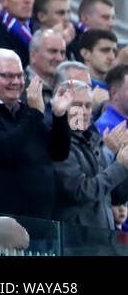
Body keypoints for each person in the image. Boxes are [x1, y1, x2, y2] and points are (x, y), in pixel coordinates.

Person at [0, 48, 73, 219]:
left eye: (19, 76)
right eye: (7, 76)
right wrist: (34, 114)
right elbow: (5, 149)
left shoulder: (25, 111)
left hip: (40, 220)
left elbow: (58, 152)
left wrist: (59, 116)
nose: (16, 82)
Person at [53, 81, 128, 228]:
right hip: (74, 240)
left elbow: (116, 195)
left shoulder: (95, 140)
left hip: (102, 237)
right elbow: (83, 192)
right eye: (77, 105)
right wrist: (119, 166)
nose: (84, 111)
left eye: (88, 106)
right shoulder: (59, 146)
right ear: (61, 106)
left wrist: (125, 163)